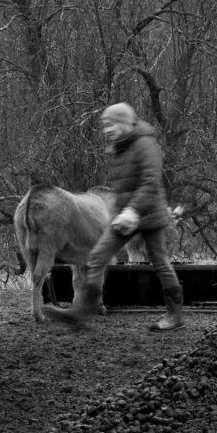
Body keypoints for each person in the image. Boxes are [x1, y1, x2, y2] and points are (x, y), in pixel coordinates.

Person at [51, 101, 185, 332]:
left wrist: (133, 210)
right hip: (126, 216)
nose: (107, 130)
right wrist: (124, 212)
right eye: (105, 125)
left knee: (160, 263)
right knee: (97, 257)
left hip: (149, 214)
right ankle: (82, 313)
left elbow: (150, 182)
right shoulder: (119, 147)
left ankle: (175, 315)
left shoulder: (145, 144)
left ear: (124, 123)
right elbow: (123, 187)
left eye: (111, 125)